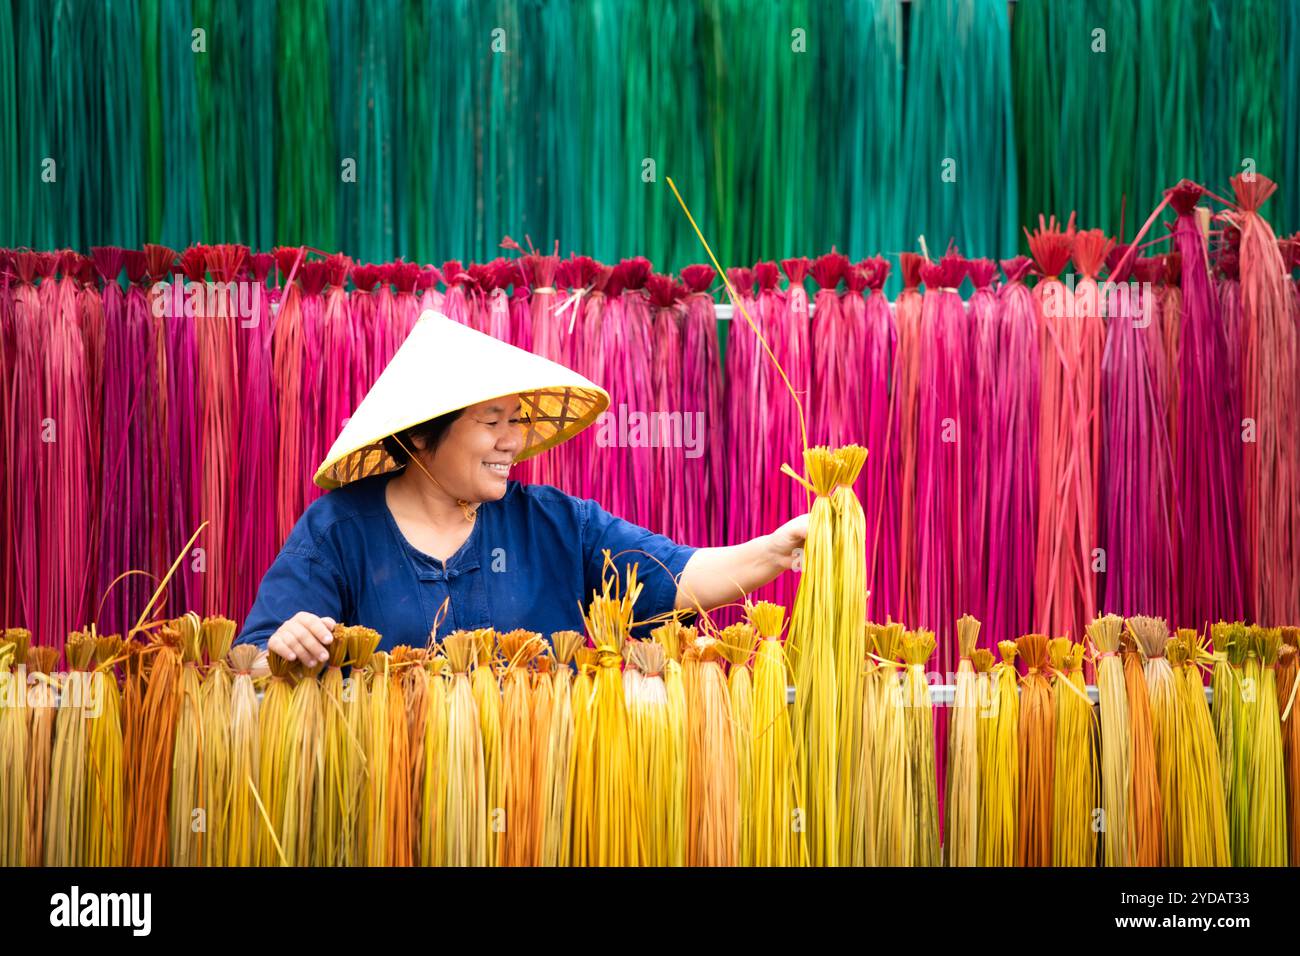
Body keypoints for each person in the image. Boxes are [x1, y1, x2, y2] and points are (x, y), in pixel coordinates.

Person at [237, 310, 807, 670]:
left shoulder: (555, 525)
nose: (514, 439)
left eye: (517, 418)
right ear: (419, 434)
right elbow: (253, 659)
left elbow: (674, 576)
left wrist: (777, 550)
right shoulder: (338, 531)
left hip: (541, 805)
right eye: (492, 421)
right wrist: (287, 648)